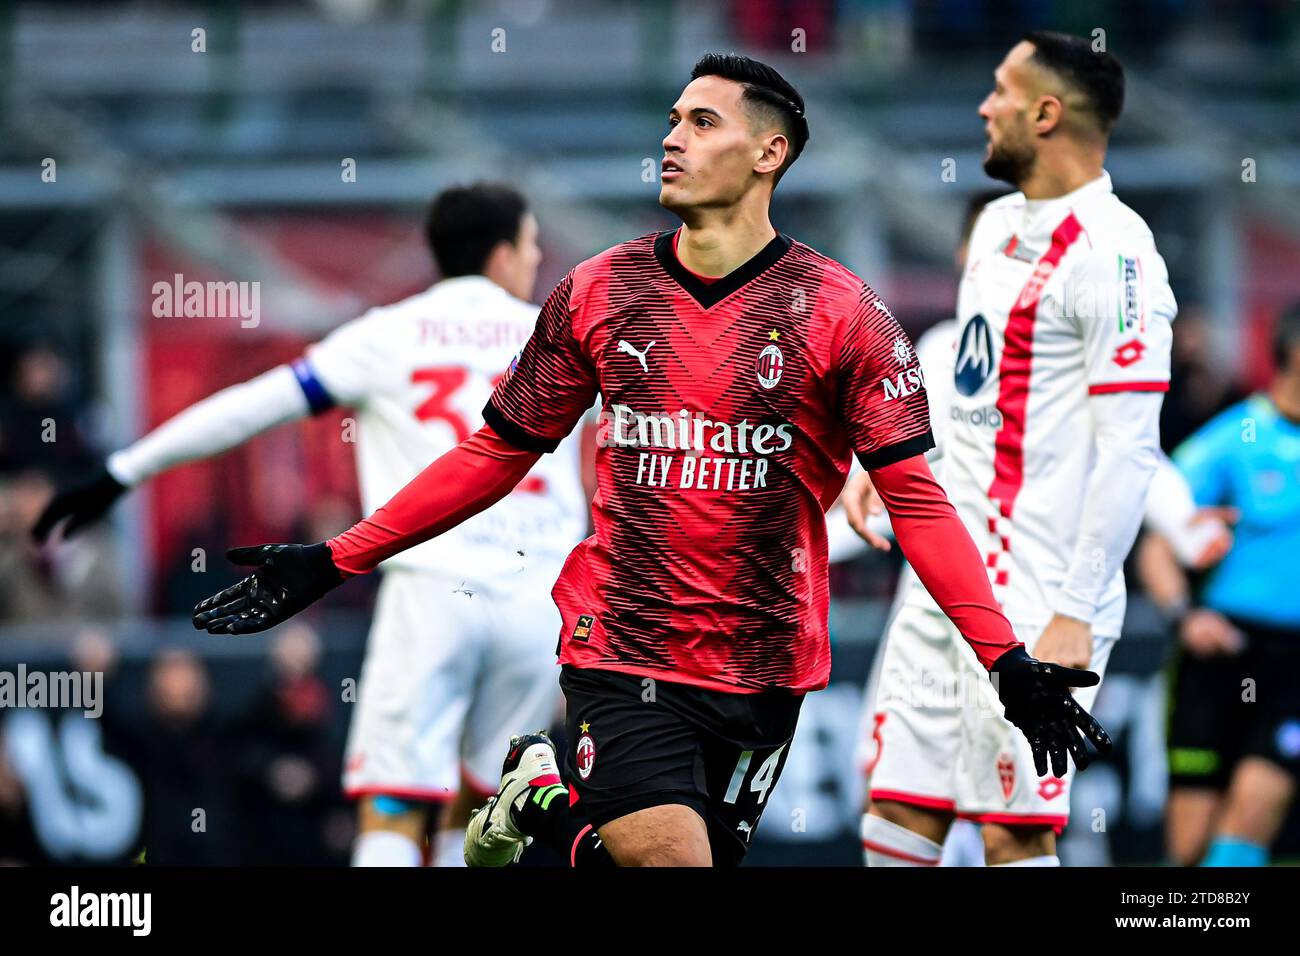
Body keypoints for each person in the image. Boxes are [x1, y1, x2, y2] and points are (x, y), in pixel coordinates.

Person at [190, 52, 1110, 868]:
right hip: (622, 646)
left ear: (769, 153)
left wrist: (1004, 660)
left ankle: (541, 798)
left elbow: (916, 500)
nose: (671, 138)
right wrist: (337, 558)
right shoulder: (598, 291)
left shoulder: (844, 314)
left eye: (701, 122)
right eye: (672, 119)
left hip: (766, 665)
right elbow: (496, 453)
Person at [33, 183, 591, 867]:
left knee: (394, 804)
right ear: (503, 254)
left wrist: (125, 469)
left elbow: (253, 404)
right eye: (531, 246)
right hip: (541, 598)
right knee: (485, 811)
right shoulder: (555, 334)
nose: (534, 260)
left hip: (433, 589)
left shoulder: (391, 332)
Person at [844, 32, 1174, 867]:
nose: (985, 107)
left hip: (1039, 592)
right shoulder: (993, 226)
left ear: (1046, 112)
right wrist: (893, 466)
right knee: (897, 807)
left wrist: (1077, 609)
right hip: (947, 577)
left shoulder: (1116, 256)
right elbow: (971, 388)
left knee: (1011, 829)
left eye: (1001, 91)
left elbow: (1130, 450)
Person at [1138, 304, 1300, 867]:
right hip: (1222, 652)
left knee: (1254, 810)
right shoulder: (1235, 438)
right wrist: (1185, 616)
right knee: (1189, 844)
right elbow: (1159, 544)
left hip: (1294, 664)